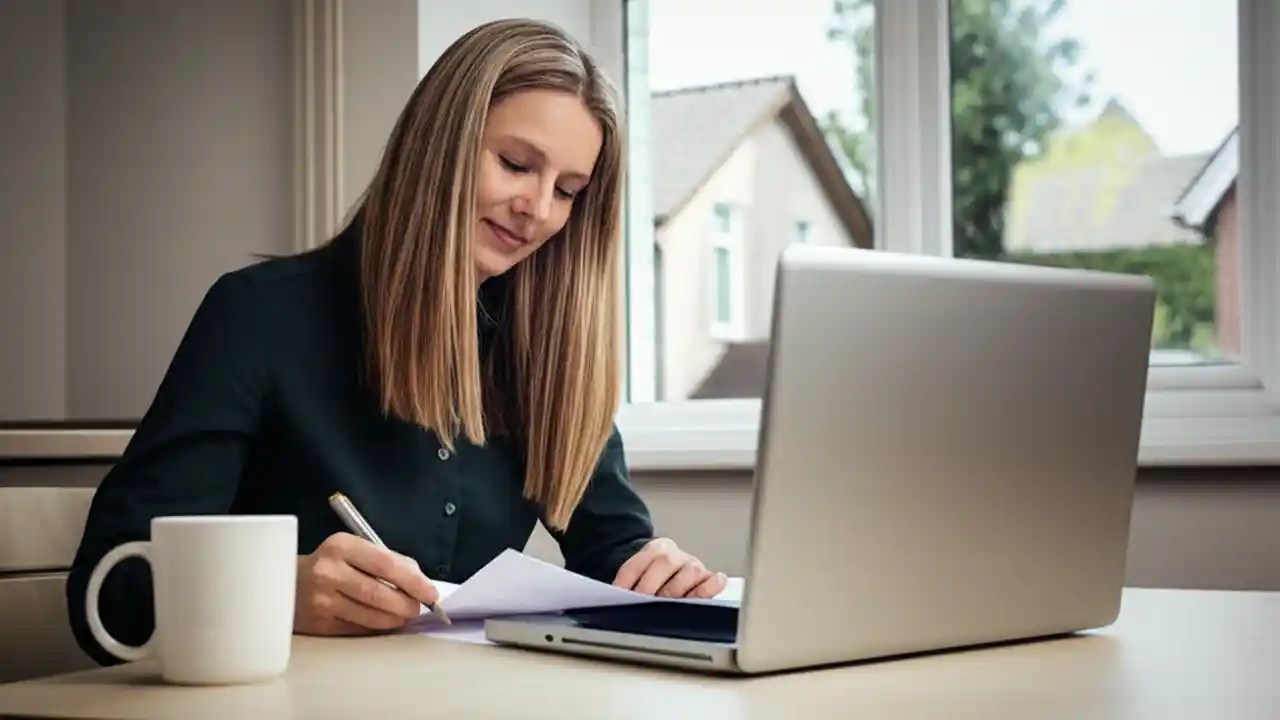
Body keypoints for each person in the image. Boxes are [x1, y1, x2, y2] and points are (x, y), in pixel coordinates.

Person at [66, 18, 725, 665]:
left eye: (568, 191)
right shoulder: (259, 315)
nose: (539, 209)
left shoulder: (544, 354)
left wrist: (658, 577)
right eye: (516, 164)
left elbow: (614, 554)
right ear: (438, 143)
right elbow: (110, 588)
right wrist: (280, 593)